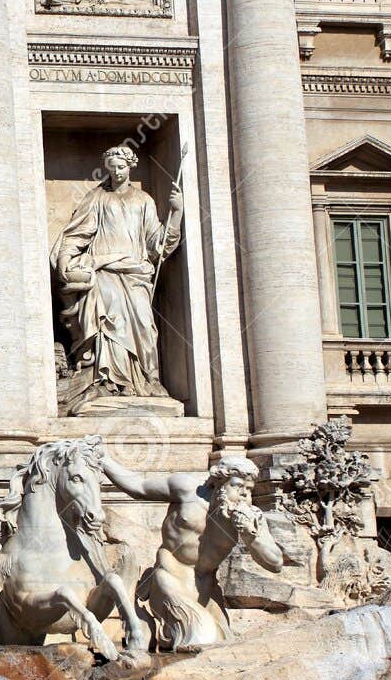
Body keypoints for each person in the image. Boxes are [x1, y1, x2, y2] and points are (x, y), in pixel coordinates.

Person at [102, 454, 285, 650]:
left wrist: (251, 537)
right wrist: (102, 459)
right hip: (170, 576)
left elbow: (275, 563)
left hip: (206, 588)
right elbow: (139, 487)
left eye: (249, 489)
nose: (243, 495)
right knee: (203, 635)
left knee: (222, 645)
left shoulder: (250, 517)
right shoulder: (188, 491)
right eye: (237, 486)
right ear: (218, 483)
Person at [51, 143, 182, 413]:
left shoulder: (143, 200)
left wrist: (177, 213)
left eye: (121, 168)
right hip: (104, 271)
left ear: (130, 167)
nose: (116, 173)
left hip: (135, 273)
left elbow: (157, 243)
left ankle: (143, 380)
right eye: (111, 169)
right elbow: (78, 233)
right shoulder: (97, 197)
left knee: (144, 326)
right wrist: (65, 257)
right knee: (108, 327)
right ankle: (106, 381)